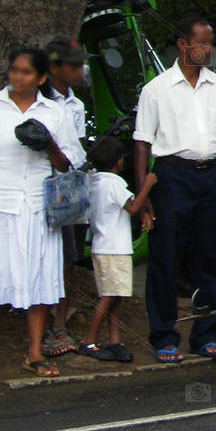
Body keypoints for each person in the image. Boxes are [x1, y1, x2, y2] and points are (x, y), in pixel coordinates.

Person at [0, 47, 84, 377]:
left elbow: (71, 163)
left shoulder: (55, 113)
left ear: (40, 78)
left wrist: (48, 144)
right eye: (14, 70)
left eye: (25, 72)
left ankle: (36, 352)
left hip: (36, 205)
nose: (17, 77)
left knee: (37, 278)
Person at [134, 12, 216, 363]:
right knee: (165, 256)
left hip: (210, 174)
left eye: (211, 43)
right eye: (202, 43)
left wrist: (205, 156)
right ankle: (164, 337)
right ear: (182, 45)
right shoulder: (156, 90)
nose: (208, 50)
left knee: (213, 255)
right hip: (171, 176)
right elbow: (142, 143)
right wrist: (143, 196)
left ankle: (206, 335)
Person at [77, 136, 153, 362]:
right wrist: (148, 184)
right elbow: (133, 208)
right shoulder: (114, 183)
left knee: (115, 295)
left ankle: (114, 339)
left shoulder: (94, 182)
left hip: (103, 246)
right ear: (119, 162)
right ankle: (89, 340)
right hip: (115, 249)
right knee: (110, 295)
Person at [42, 37, 90, 357]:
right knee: (45, 255)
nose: (79, 71)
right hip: (43, 184)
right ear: (55, 68)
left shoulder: (77, 104)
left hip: (71, 185)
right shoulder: (39, 102)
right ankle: (43, 323)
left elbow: (78, 146)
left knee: (69, 258)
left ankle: (60, 321)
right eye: (72, 66)